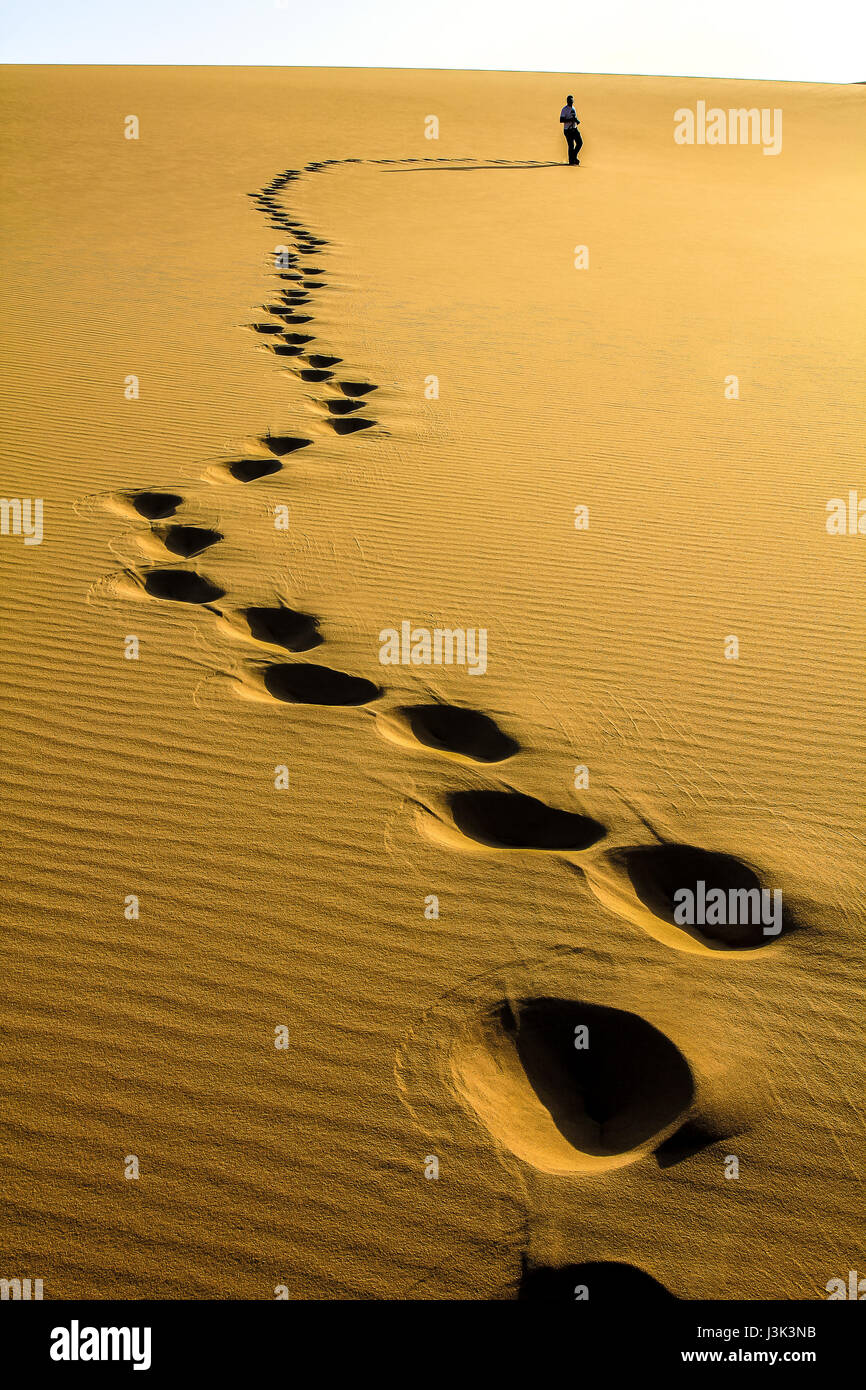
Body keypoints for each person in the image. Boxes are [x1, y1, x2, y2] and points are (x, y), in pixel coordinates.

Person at [560, 95, 582, 165]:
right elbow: (561, 120)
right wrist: (570, 120)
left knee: (580, 143)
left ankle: (574, 157)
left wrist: (576, 120)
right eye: (570, 101)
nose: (571, 102)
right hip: (568, 130)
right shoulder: (564, 109)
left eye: (572, 101)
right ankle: (571, 161)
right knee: (571, 145)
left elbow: (574, 117)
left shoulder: (573, 108)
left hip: (574, 129)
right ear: (567, 101)